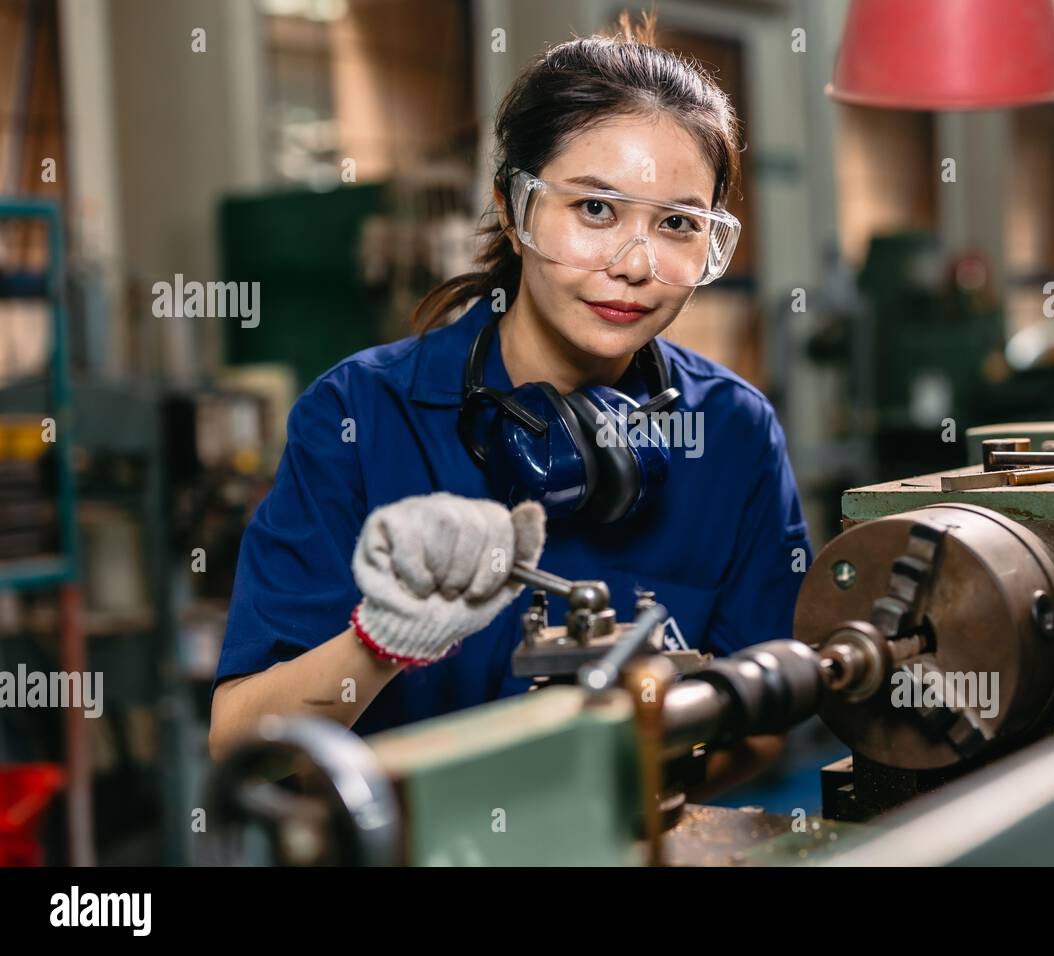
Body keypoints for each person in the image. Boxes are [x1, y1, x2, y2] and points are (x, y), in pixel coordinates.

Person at [209, 14, 811, 793]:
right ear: (515, 208)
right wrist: (384, 639)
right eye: (595, 210)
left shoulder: (731, 431)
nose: (634, 264)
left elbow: (765, 721)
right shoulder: (361, 416)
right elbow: (239, 741)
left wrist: (619, 789)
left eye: (676, 225)